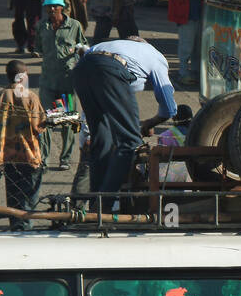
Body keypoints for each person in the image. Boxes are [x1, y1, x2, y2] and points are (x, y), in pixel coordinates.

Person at [72, 36, 177, 199]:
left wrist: (88, 131)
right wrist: (151, 122)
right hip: (111, 71)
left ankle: (95, 207)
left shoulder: (105, 45)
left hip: (81, 70)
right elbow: (169, 108)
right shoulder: (154, 54)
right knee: (130, 142)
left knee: (101, 141)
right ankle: (105, 203)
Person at [0, 60, 46, 231]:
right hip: (30, 156)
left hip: (8, 156)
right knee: (29, 196)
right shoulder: (31, 97)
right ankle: (26, 227)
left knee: (13, 194)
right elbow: (38, 126)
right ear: (22, 77)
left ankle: (16, 226)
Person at [35, 0, 85, 170]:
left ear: (62, 8)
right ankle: (44, 157)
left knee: (68, 121)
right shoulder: (41, 26)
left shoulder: (74, 26)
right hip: (47, 81)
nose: (51, 9)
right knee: (45, 121)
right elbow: (38, 47)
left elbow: (82, 47)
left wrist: (77, 54)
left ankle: (65, 158)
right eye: (48, 6)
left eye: (55, 6)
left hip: (67, 82)